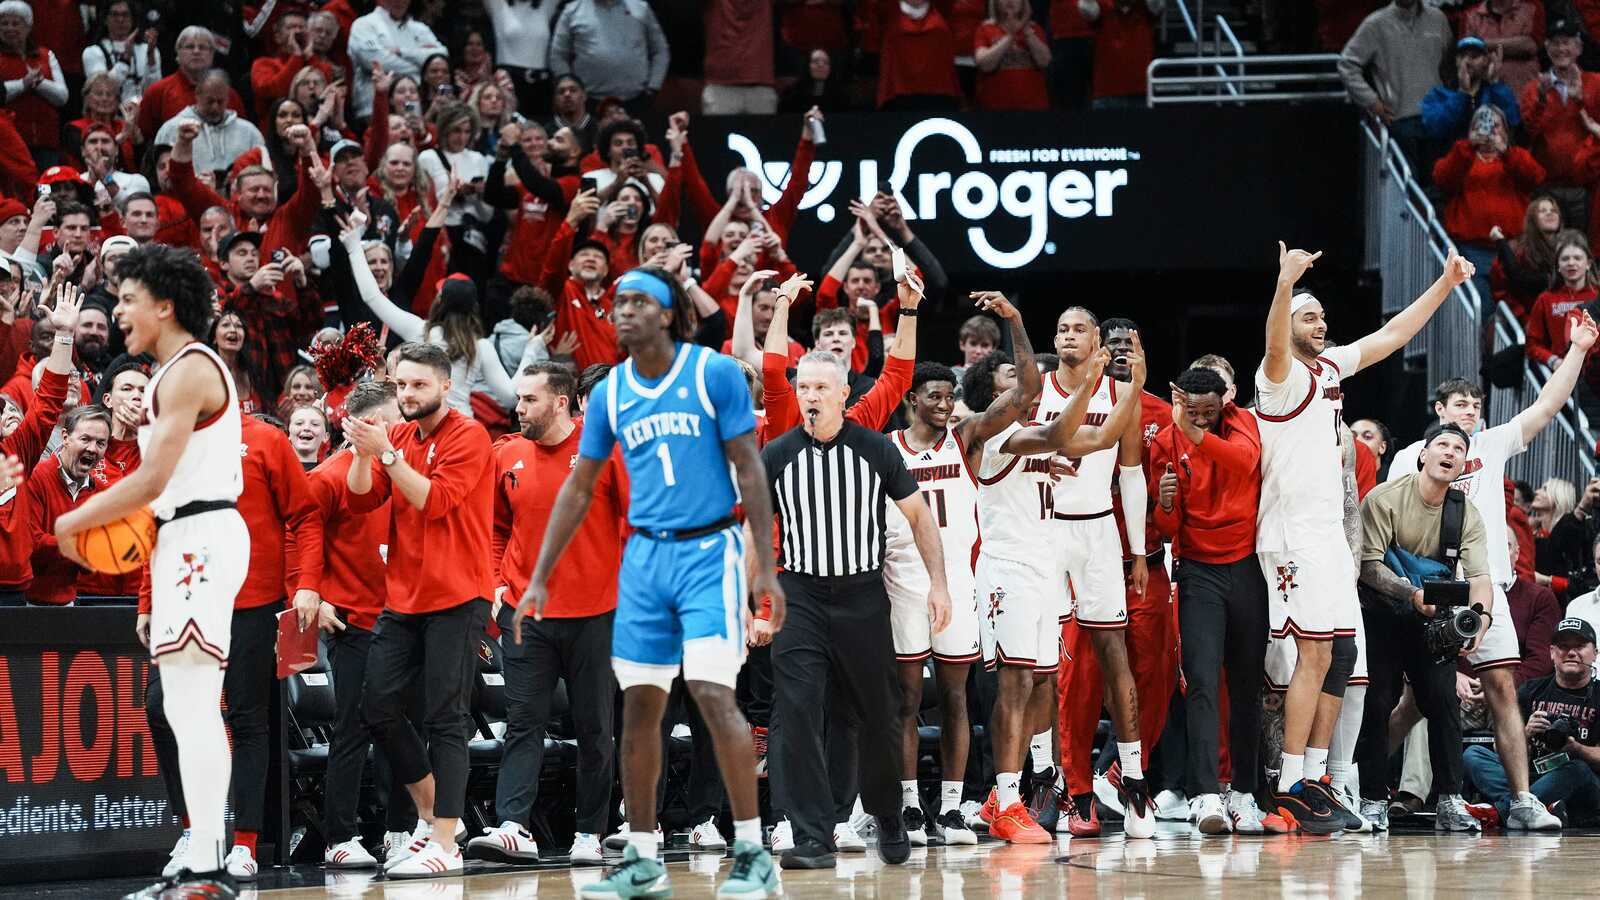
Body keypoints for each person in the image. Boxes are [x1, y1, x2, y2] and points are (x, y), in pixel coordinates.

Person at [511, 266, 782, 898]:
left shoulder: (713, 374)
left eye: (638, 302)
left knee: (716, 699)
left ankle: (750, 848)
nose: (623, 312)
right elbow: (580, 487)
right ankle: (642, 855)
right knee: (639, 710)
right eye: (618, 303)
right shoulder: (607, 394)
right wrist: (539, 576)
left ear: (667, 314)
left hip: (709, 550)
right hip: (643, 561)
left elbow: (749, 468)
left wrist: (763, 568)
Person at [1255, 242, 1472, 835]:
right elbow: (1276, 337)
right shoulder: (1276, 375)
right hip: (1290, 535)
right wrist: (1283, 284)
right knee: (1305, 655)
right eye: (1309, 315)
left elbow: (1393, 336)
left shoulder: (1329, 368)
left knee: (1339, 657)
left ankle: (1319, 776)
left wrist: (1446, 284)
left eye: (1323, 314)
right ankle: (1287, 783)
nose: (1320, 322)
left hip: (1328, 537)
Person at [55, 244, 249, 899]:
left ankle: (206, 866)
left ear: (165, 306)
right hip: (180, 536)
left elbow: (154, 479)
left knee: (188, 704)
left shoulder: (192, 368)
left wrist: (75, 519)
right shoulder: (169, 377)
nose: (118, 312)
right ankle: (202, 856)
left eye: (130, 299)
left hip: (201, 532)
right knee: (174, 705)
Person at [1382, 317, 1597, 831]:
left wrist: (1578, 350)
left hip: (1491, 588)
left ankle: (1523, 799)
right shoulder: (1412, 456)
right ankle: (1359, 782)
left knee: (1502, 686)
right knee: (1417, 702)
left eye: (1476, 406)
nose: (1471, 413)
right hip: (1434, 590)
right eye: (1461, 405)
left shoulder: (1492, 443)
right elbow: (1394, 529)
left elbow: (1547, 407)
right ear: (1438, 412)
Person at [974, 333, 1143, 843]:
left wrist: (1134, 387)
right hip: (1007, 569)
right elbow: (1059, 433)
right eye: (1012, 384)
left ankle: (1014, 794)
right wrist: (1090, 382)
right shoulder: (1000, 439)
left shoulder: (1035, 440)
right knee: (1016, 684)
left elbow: (1099, 438)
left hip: (1040, 564)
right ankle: (1008, 798)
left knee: (1043, 681)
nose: (1025, 390)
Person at [884, 292, 1038, 847]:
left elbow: (1026, 394)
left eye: (951, 396)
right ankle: (905, 805)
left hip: (958, 586)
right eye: (935, 397)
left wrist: (1013, 320)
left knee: (955, 698)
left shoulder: (966, 438)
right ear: (911, 401)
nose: (947, 405)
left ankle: (949, 808)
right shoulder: (886, 450)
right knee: (903, 701)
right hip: (902, 585)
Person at [343, 342, 495, 878]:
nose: (407, 395)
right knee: (378, 706)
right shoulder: (401, 434)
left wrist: (384, 453)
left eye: (418, 385)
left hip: (459, 595)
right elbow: (362, 500)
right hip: (404, 595)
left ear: (445, 386)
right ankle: (432, 815)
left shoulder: (471, 437)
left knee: (445, 718)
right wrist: (364, 454)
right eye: (401, 385)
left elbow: (434, 501)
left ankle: (447, 843)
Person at [470, 362, 623, 866]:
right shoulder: (507, 453)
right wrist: (494, 580)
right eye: (518, 399)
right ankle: (514, 825)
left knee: (596, 728)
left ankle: (589, 833)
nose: (518, 409)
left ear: (561, 401)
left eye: (529, 400)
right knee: (522, 723)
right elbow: (494, 527)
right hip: (524, 613)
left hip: (596, 614)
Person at [1030, 308, 1154, 836]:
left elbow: (1130, 474)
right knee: (1041, 660)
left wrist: (1140, 552)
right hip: (1045, 528)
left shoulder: (1119, 395)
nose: (1068, 336)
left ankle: (1134, 778)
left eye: (1079, 329)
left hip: (1100, 530)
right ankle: (1046, 778)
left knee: (1113, 653)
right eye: (1061, 329)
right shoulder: (1035, 389)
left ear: (1098, 341)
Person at [1148, 363, 1273, 834]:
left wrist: (1189, 429)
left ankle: (1244, 791)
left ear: (1225, 402)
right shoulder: (1165, 441)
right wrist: (1164, 503)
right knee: (1199, 682)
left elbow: (1242, 463)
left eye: (1209, 411)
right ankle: (1203, 795)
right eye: (1193, 412)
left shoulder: (1243, 423)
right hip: (1197, 571)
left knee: (1245, 684)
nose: (1200, 419)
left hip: (1246, 568)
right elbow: (1167, 528)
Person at [1356, 423, 1495, 833]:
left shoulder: (1464, 512)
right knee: (1378, 703)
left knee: (1443, 702)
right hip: (1381, 612)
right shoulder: (1385, 498)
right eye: (1442, 445)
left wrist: (1480, 621)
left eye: (1458, 448)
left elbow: (1480, 576)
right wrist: (1411, 594)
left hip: (1432, 616)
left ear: (1462, 465)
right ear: (1423, 454)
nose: (1449, 452)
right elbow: (1367, 567)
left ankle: (1451, 800)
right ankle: (1371, 799)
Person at [305, 381, 408, 871]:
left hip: (404, 619)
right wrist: (315, 595)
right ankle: (340, 837)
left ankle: (399, 831)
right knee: (352, 729)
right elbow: (298, 541)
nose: (399, 426)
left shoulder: (401, 471)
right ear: (360, 424)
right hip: (353, 621)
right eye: (390, 418)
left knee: (404, 729)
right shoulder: (326, 477)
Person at [1466, 617, 1600, 825]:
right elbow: (1497, 748)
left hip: (1582, 783)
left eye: (1580, 646)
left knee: (1577, 769)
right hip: (1531, 776)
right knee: (1474, 755)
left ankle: (1500, 812)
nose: (1571, 653)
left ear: (1595, 653)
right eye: (1563, 647)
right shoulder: (1531, 690)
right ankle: (1539, 806)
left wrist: (1576, 748)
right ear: (1552, 653)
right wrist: (1525, 734)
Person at [1338, 0, 1451, 175]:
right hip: (1401, 121)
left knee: (1440, 191)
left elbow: (1450, 64)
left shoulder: (1438, 19)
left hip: (1439, 119)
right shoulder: (1375, 24)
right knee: (1407, 193)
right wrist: (1371, 101)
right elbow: (1347, 64)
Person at [24, 405, 112, 606]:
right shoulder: (36, 478)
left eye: (101, 443)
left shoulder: (101, 493)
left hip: (69, 603)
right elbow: (31, 544)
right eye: (85, 439)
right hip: (25, 604)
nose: (92, 448)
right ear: (65, 437)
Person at [1518, 21, 1598, 229]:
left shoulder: (1595, 82)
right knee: (1549, 248)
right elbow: (1527, 134)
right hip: (1547, 186)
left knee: (1580, 250)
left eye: (1567, 43)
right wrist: (1541, 101)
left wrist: (1581, 100)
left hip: (1587, 185)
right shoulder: (1534, 88)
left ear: (1579, 48)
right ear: (1546, 47)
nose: (1561, 49)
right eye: (1555, 43)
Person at [549, 0, 670, 116]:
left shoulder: (641, 8)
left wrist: (653, 87)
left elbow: (660, 50)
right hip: (588, 102)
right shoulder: (572, 11)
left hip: (636, 100)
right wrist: (570, 89)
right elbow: (558, 55)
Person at [136, 26, 246, 142]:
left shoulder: (228, 94)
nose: (196, 51)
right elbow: (144, 138)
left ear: (212, 54)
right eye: (190, 47)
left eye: (202, 47)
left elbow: (241, 134)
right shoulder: (158, 92)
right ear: (178, 53)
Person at [348, 0, 446, 122]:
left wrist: (403, 52)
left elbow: (442, 54)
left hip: (416, 110)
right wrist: (422, 67)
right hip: (372, 111)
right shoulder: (364, 24)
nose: (399, 1)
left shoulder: (419, 29)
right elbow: (374, 61)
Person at [1421, 37, 1522, 142]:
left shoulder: (1496, 91)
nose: (1467, 61)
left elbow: (1512, 121)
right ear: (1456, 61)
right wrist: (1462, 93)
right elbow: (1435, 130)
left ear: (1486, 61)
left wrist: (1495, 83)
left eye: (1474, 56)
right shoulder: (1438, 95)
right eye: (1462, 56)